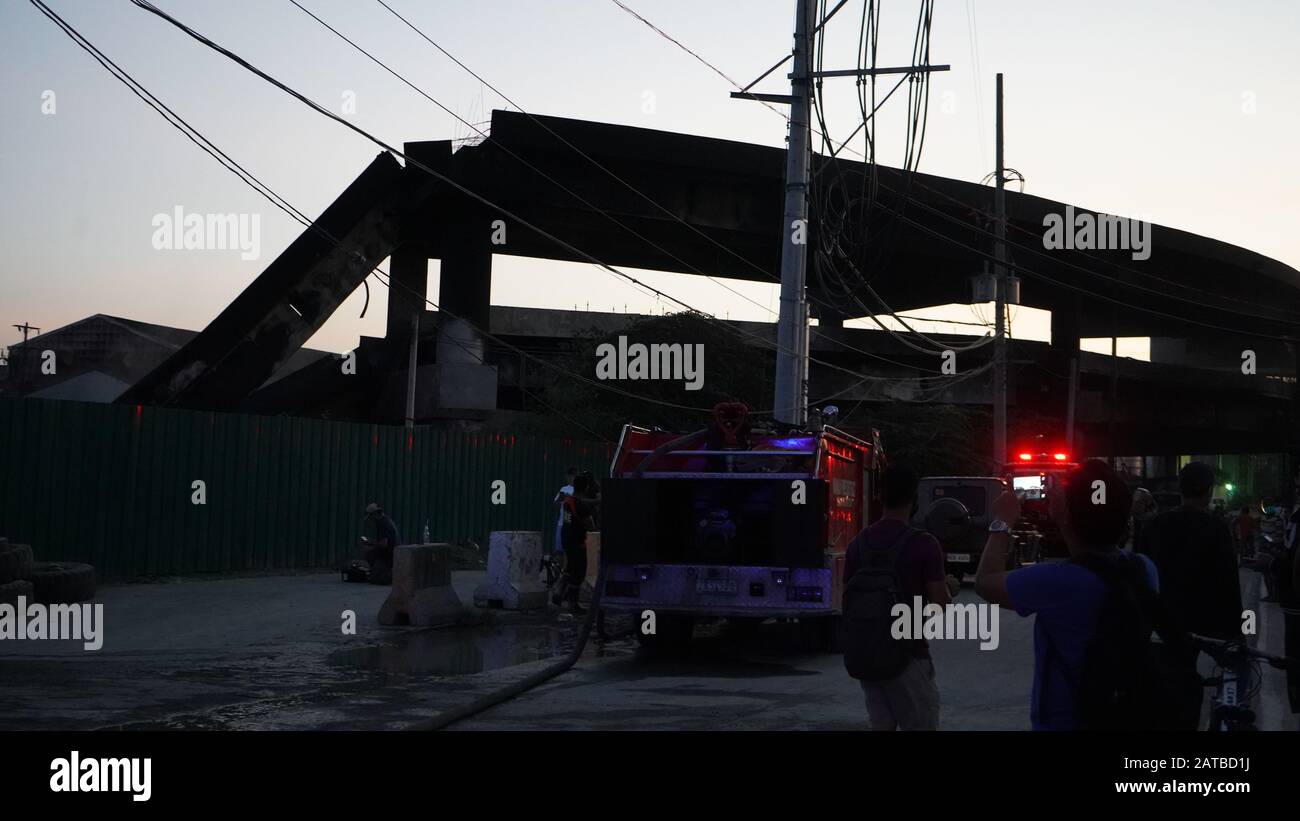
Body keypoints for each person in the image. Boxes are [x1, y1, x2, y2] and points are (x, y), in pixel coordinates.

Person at [975, 459, 1163, 731]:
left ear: (1067, 515)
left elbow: (985, 582)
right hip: (1127, 713)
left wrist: (1001, 523)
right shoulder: (1145, 569)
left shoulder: (1060, 580)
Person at [842, 464, 952, 731]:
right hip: (908, 656)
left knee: (881, 724)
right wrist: (950, 590)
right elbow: (940, 604)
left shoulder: (859, 543)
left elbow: (847, 598)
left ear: (879, 497)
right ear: (914, 500)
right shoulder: (924, 543)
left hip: (868, 655)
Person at [1135, 461, 1242, 728]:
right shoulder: (1217, 529)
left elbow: (1139, 576)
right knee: (1234, 680)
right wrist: (1236, 634)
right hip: (1204, 626)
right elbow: (1229, 583)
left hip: (1161, 625)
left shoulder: (1154, 526)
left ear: (1181, 489)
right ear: (1208, 491)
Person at [557, 472, 599, 614]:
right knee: (579, 572)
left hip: (567, 537)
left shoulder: (568, 501)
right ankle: (572, 604)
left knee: (570, 567)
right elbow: (591, 526)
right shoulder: (582, 506)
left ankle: (559, 592)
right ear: (586, 488)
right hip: (577, 541)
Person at [361, 502, 400, 585]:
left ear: (374, 514)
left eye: (370, 517)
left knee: (368, 552)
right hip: (391, 552)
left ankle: (387, 573)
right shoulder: (385, 520)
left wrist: (371, 546)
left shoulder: (382, 523)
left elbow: (384, 544)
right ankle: (381, 571)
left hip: (388, 554)